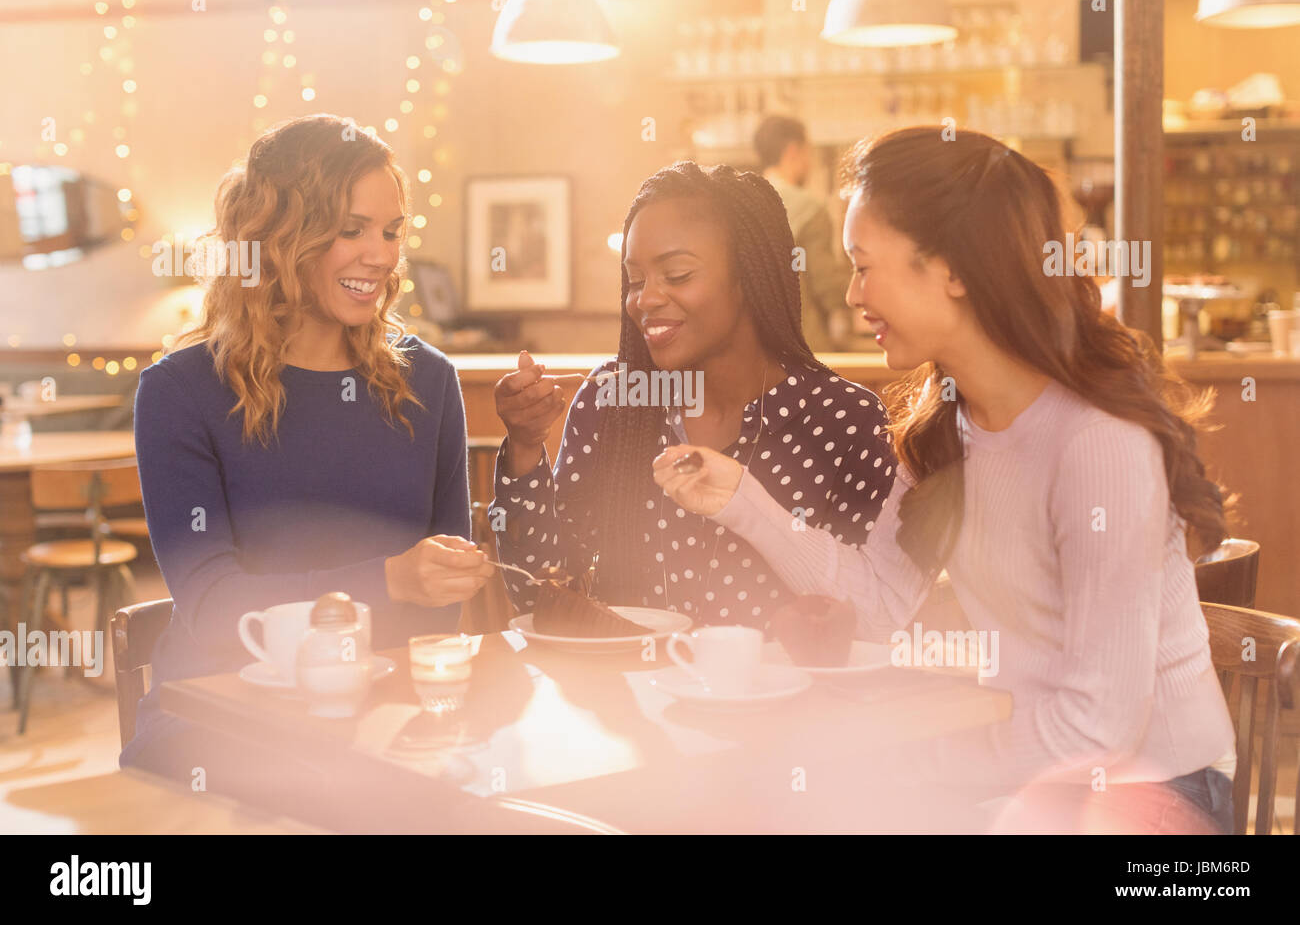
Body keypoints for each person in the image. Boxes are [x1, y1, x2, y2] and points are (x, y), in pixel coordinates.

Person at [652, 127, 1237, 834]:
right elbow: (875, 605)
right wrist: (742, 500)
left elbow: (1099, 729)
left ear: (953, 268)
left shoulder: (1097, 444)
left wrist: (920, 765)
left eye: (866, 266)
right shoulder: (946, 428)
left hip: (1157, 791)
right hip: (1028, 781)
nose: (856, 294)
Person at [121, 114, 493, 792]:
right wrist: (390, 581)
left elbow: (439, 604)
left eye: (391, 230)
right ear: (278, 238)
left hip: (380, 729)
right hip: (217, 732)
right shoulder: (179, 393)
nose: (379, 255)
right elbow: (212, 608)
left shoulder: (429, 380)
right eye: (349, 229)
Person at [490, 161, 895, 630]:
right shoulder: (614, 401)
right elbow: (539, 593)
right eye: (636, 280)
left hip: (783, 701)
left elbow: (869, 619)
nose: (646, 299)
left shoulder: (846, 421)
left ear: (750, 277)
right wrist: (523, 447)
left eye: (677, 275)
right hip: (629, 696)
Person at [754, 115, 849, 352]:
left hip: (759, 344)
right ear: (793, 151)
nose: (810, 163)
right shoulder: (809, 208)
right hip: (804, 342)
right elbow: (825, 282)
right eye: (808, 154)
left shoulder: (746, 204)